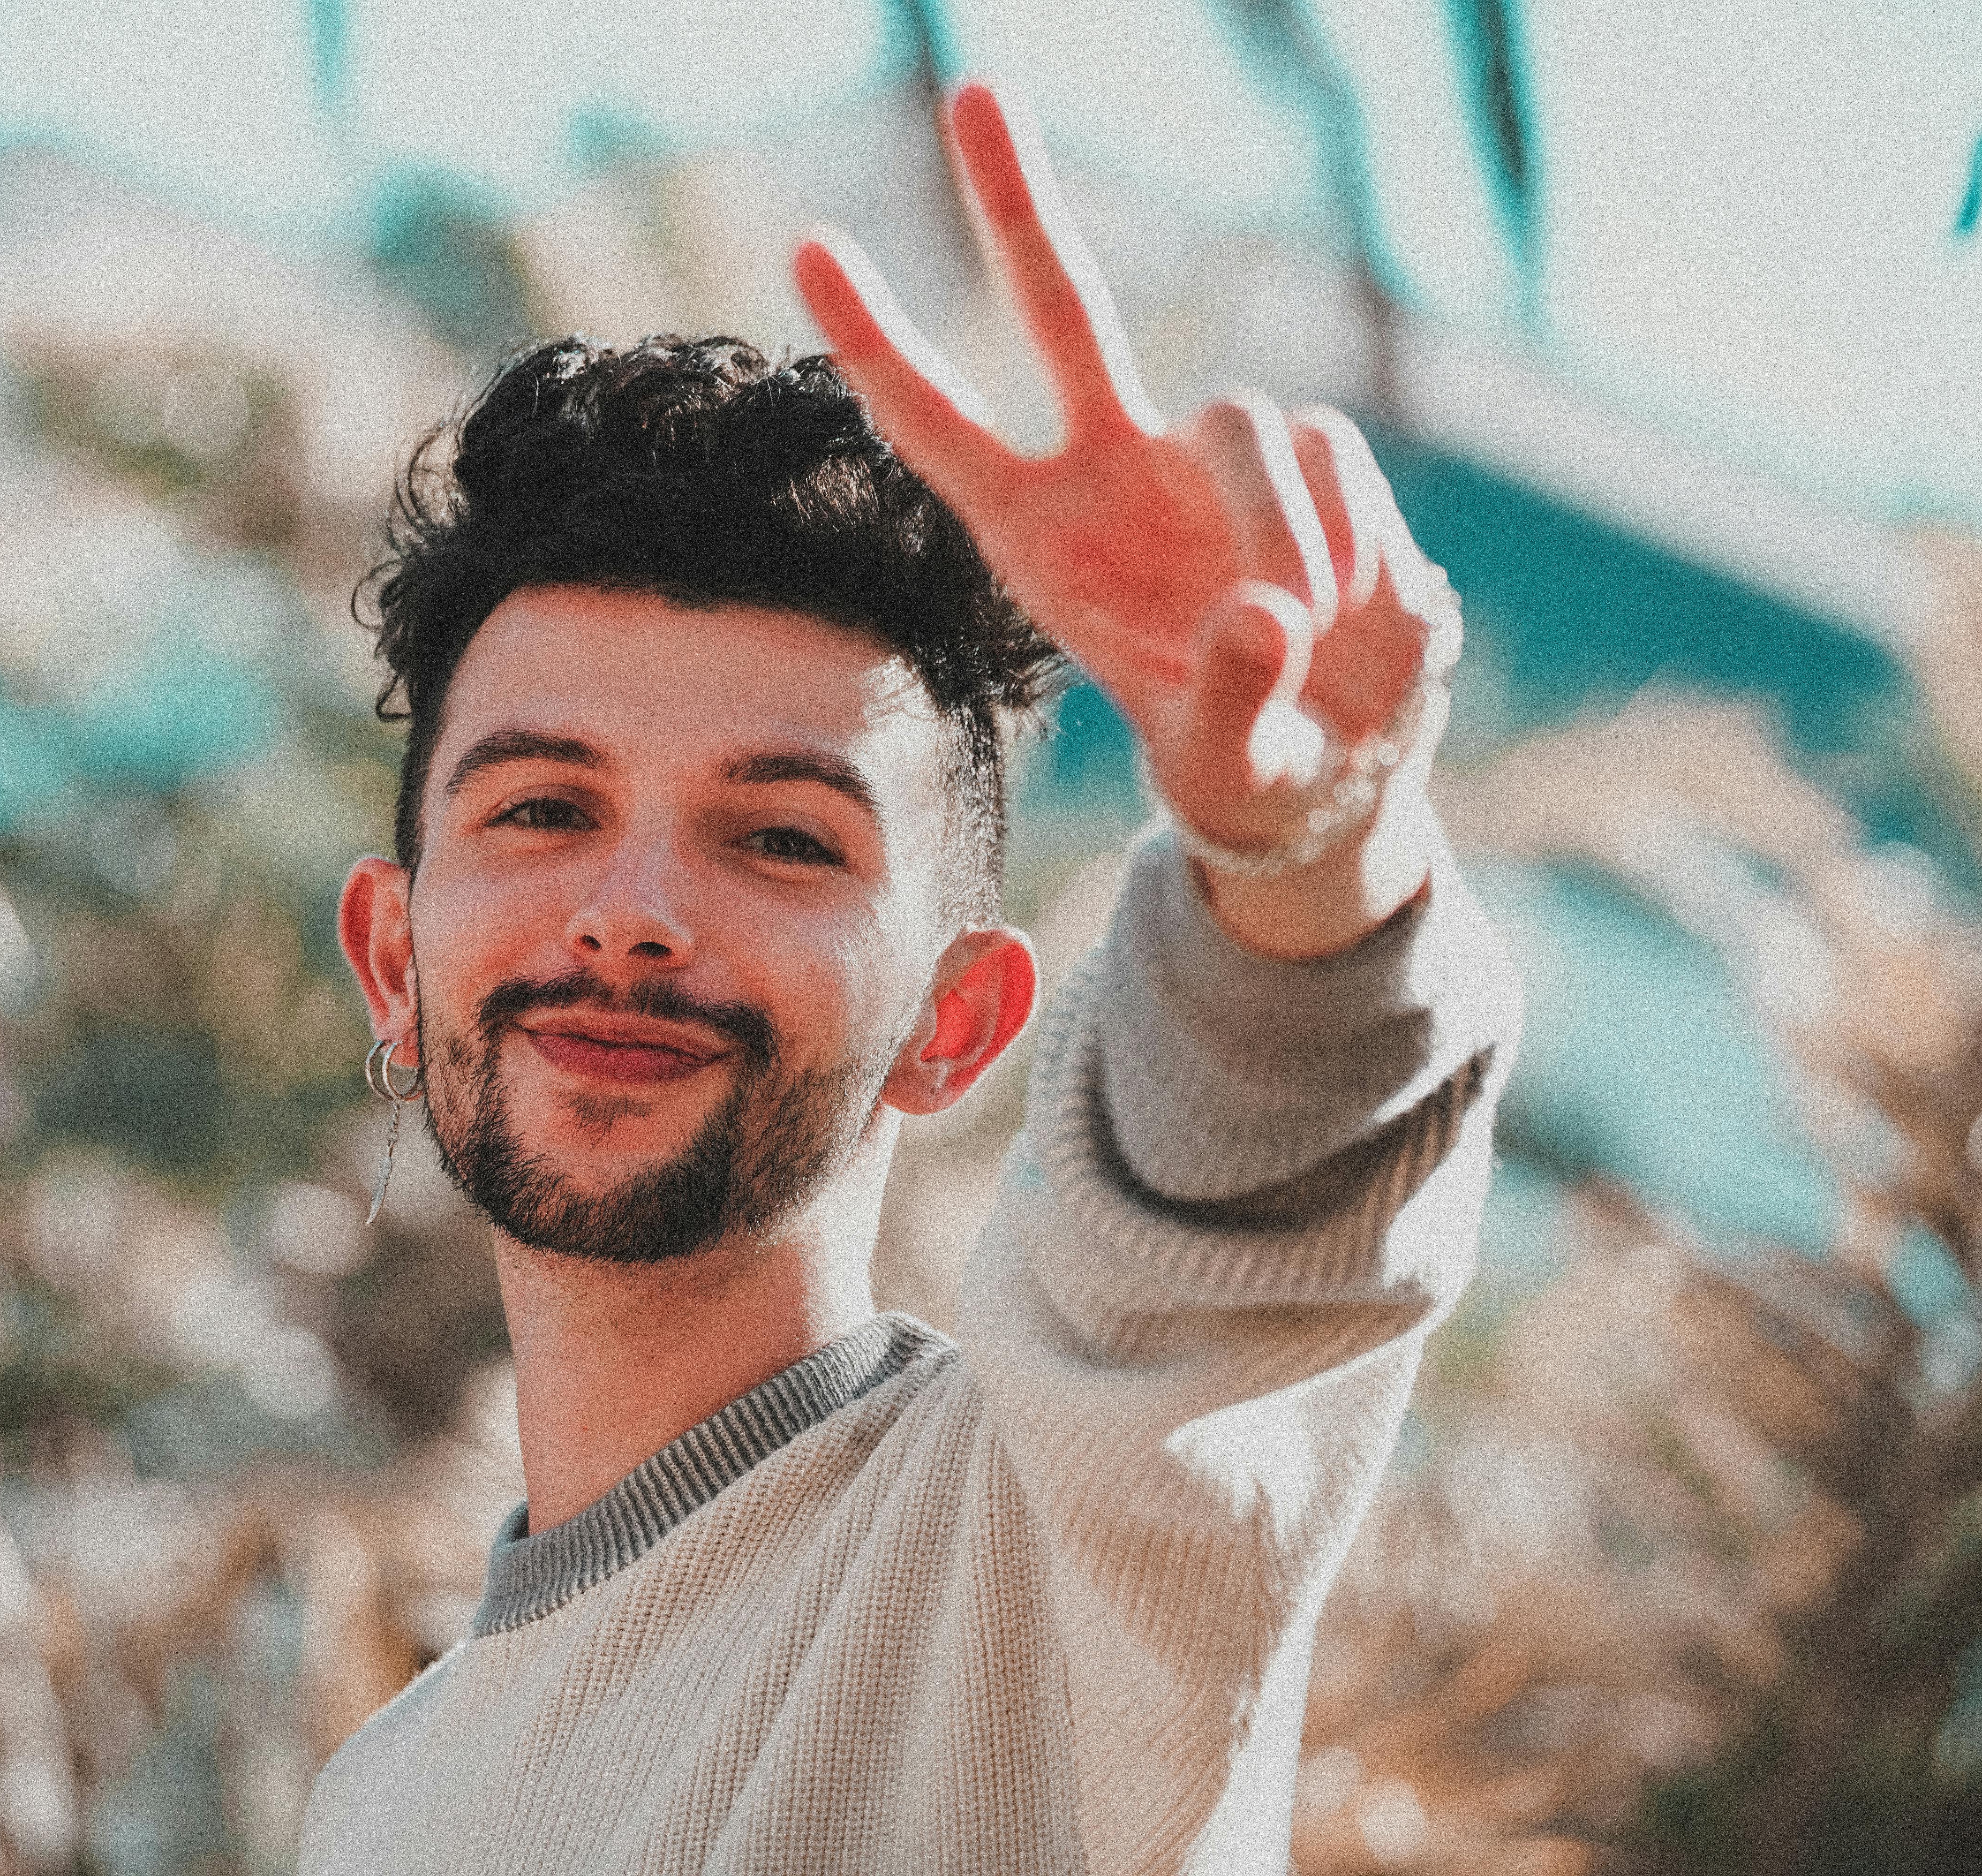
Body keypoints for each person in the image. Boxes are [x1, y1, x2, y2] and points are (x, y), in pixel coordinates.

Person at [304, 83, 1521, 1875]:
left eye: (783, 838)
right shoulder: (373, 1805)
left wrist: (1307, 848)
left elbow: (1243, 1195)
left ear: (957, 1025)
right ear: (393, 964)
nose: (632, 913)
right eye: (547, 807)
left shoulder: (1058, 1548)